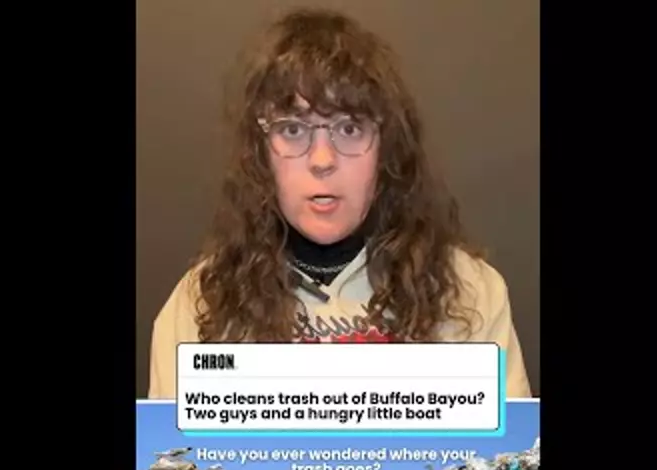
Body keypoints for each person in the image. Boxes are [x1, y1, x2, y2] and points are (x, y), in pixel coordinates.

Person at [148, 8, 531, 398]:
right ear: (260, 154)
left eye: (348, 128)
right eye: (292, 129)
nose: (322, 160)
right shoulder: (202, 303)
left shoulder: (470, 292)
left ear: (387, 151)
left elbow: (509, 457)